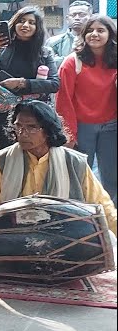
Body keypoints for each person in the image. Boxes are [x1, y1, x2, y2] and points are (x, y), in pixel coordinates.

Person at [0, 101, 116, 248]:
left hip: (62, 237)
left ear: (48, 130)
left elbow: (101, 204)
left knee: (108, 237)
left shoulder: (73, 162)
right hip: (14, 236)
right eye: (18, 127)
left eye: (31, 127)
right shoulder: (2, 160)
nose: (22, 133)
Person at [57, 15, 118, 201]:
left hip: (112, 127)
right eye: (90, 31)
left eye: (100, 30)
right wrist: (68, 134)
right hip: (82, 127)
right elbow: (63, 100)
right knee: (77, 177)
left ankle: (110, 219)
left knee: (112, 177)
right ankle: (79, 220)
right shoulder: (72, 62)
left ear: (110, 34)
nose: (95, 34)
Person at [0, 5, 60, 152]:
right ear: (14, 24)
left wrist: (22, 83)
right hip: (3, 114)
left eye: (31, 22)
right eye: (21, 21)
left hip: (34, 116)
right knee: (4, 157)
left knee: (33, 157)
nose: (25, 25)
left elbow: (54, 84)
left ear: (37, 27)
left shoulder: (44, 52)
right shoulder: (2, 49)